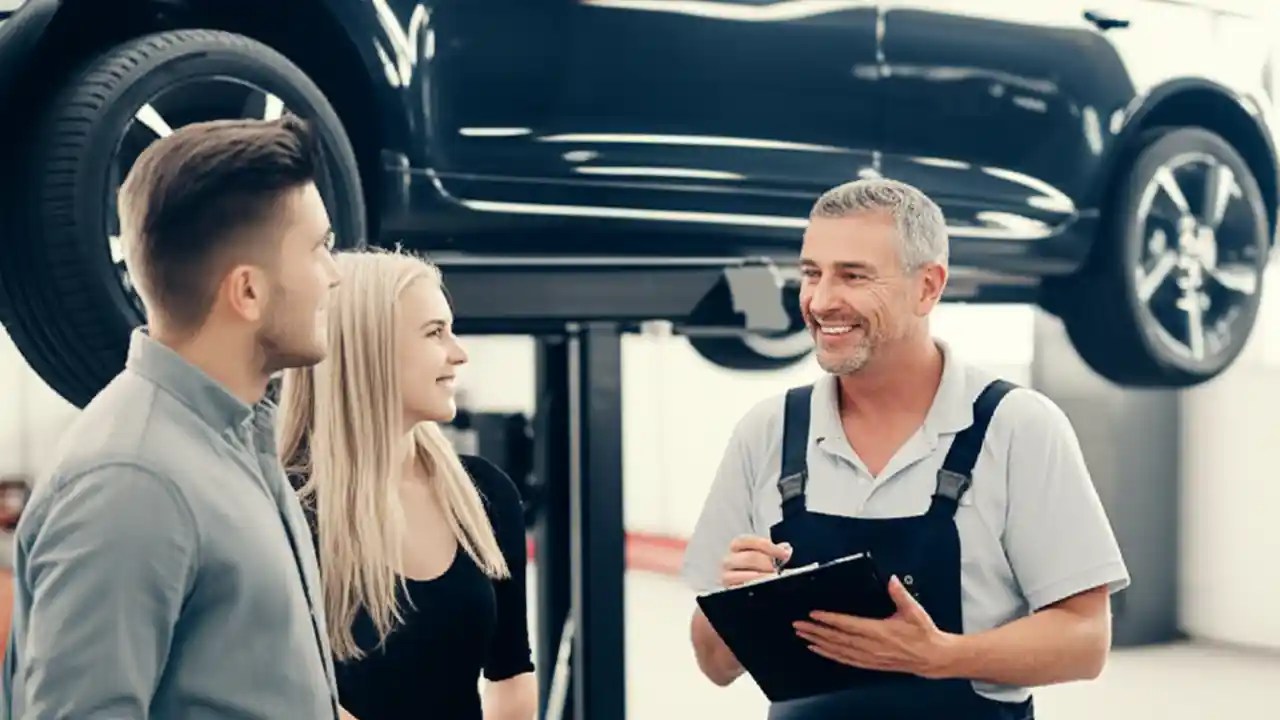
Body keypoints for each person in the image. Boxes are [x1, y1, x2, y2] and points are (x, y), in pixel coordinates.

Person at [681, 178, 1130, 719]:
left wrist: (941, 655)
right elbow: (713, 664)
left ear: (928, 287)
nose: (821, 301)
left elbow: (1085, 639)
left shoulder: (1018, 429)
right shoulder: (768, 433)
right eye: (811, 273)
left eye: (853, 275)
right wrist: (738, 604)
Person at [2, 116, 344, 718]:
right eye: (319, 248)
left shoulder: (233, 441)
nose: (334, 274)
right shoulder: (131, 481)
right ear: (247, 292)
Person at [277, 249, 537, 720]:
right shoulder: (285, 508)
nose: (459, 353)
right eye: (435, 332)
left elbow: (512, 676)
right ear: (370, 347)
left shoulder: (484, 496)